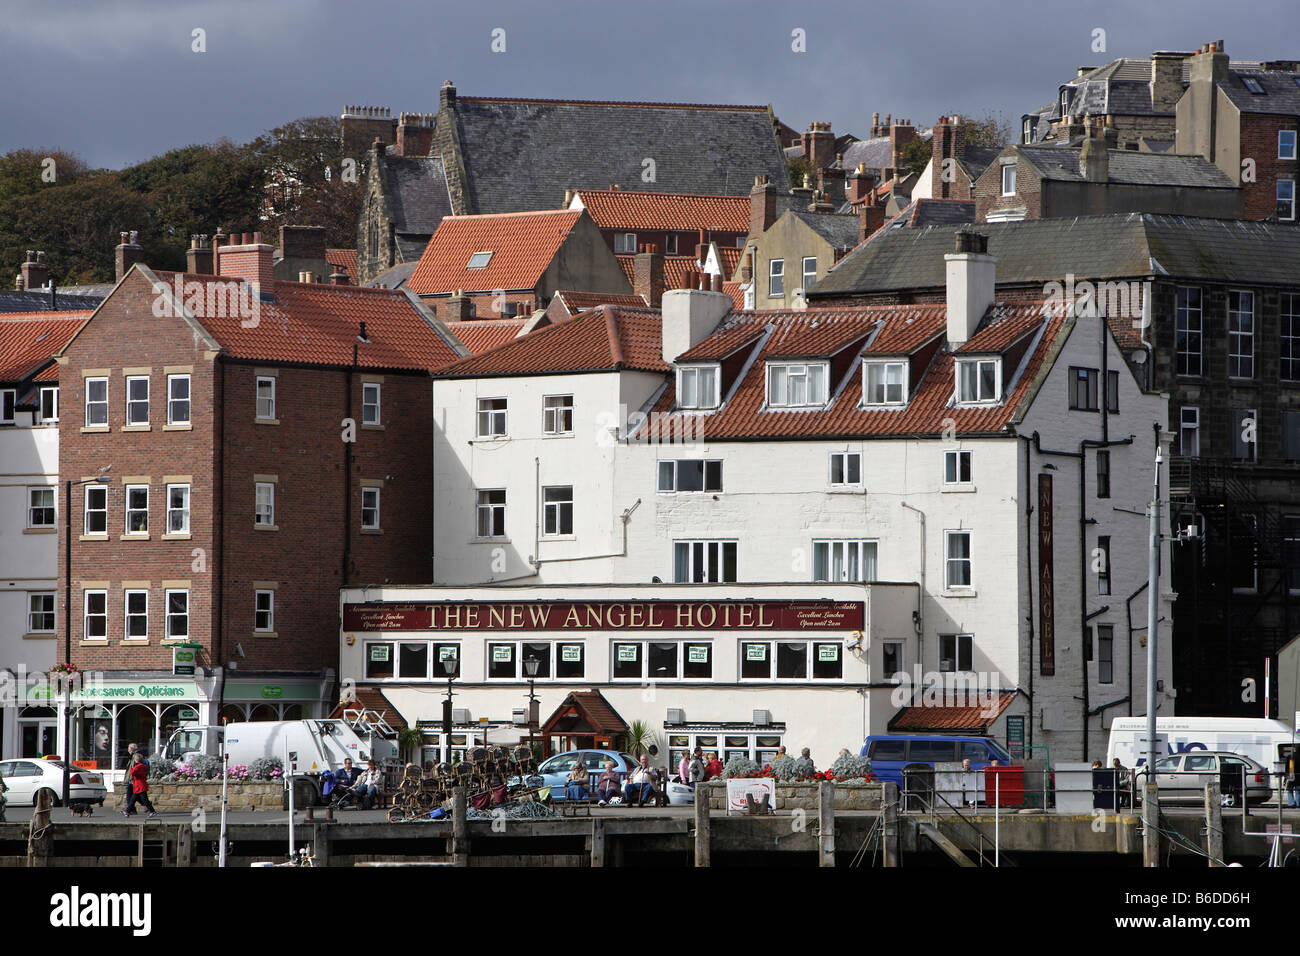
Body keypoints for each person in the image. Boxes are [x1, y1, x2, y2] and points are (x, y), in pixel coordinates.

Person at [122, 752, 158, 819]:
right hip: (139, 785)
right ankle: (127, 811)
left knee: (144, 800)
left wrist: (133, 766)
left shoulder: (139, 766)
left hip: (139, 785)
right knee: (133, 799)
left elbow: (132, 772)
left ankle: (152, 811)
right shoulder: (142, 766)